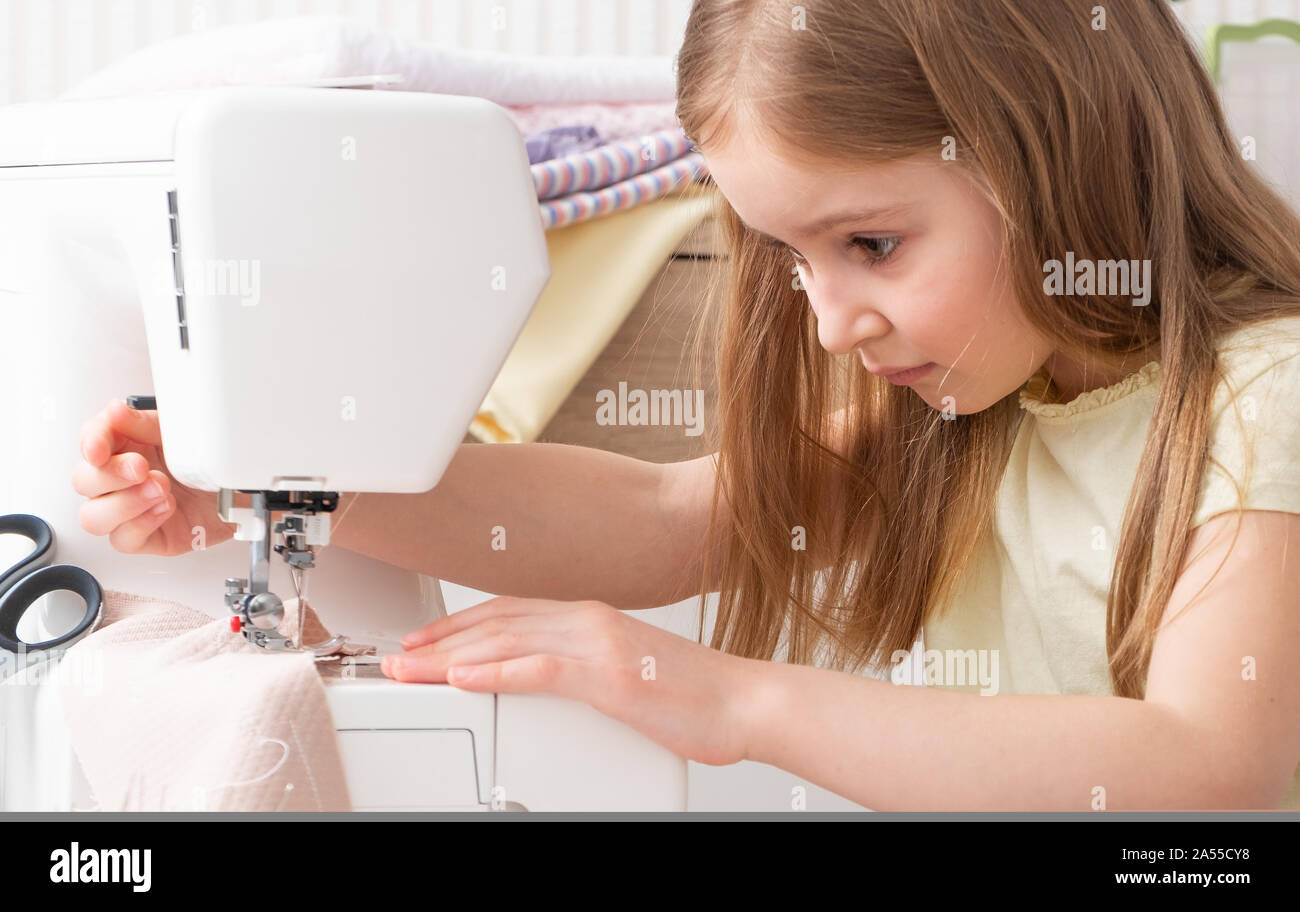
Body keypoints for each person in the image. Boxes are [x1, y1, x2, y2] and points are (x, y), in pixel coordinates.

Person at [73, 0, 1300, 810]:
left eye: (871, 240)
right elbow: (664, 515)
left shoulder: (1265, 397)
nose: (829, 322)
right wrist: (289, 476)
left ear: (1062, 147)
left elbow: (1211, 761)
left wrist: (724, 699)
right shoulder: (981, 400)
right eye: (793, 259)